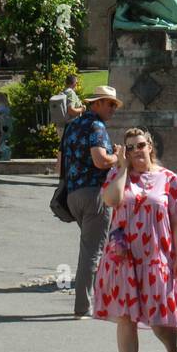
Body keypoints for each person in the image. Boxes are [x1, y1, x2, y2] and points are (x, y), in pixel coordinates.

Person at [95, 127, 177, 352]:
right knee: (125, 319)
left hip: (157, 258)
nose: (135, 151)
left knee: (160, 321)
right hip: (123, 259)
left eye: (140, 145)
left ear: (150, 146)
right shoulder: (119, 176)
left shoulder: (170, 180)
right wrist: (120, 168)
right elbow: (111, 200)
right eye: (129, 148)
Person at [58, 85, 121, 318]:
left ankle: (99, 296)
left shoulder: (72, 126)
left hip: (73, 194)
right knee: (91, 253)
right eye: (109, 103)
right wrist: (118, 157)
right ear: (97, 103)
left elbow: (60, 164)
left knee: (90, 248)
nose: (113, 108)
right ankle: (83, 307)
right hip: (94, 194)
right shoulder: (96, 125)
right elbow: (100, 160)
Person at [0, 92, 13, 160]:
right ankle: (3, 151)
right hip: (5, 122)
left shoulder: (0, 105)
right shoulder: (7, 105)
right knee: (4, 137)